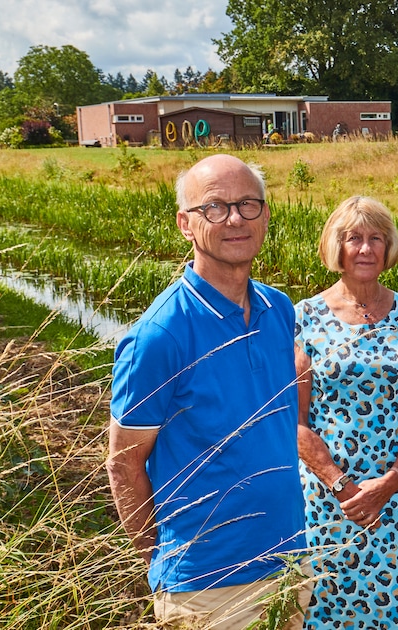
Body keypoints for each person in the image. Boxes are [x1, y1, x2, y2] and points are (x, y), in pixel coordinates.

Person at [107, 154, 310, 629]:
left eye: (248, 204)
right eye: (214, 207)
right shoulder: (161, 335)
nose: (235, 218)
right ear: (185, 224)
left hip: (290, 563)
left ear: (265, 215)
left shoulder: (278, 309)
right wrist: (164, 563)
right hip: (206, 586)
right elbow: (123, 461)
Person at [294, 195, 398, 628]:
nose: (365, 248)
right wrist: (342, 487)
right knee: (329, 604)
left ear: (388, 247)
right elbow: (294, 420)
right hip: (329, 500)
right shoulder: (304, 318)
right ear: (336, 247)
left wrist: (393, 479)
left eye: (375, 238)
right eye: (353, 238)